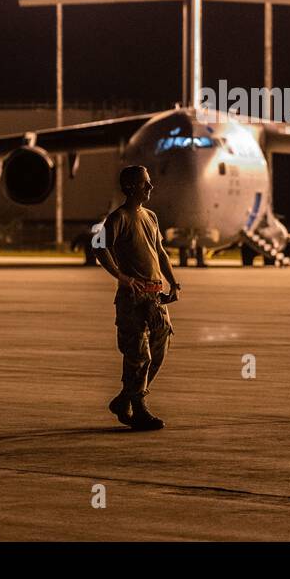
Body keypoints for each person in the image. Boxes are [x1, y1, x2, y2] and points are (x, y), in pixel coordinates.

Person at [94, 165, 179, 431]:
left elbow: (160, 252)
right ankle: (139, 408)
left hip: (155, 296)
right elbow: (100, 249)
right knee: (138, 354)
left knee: (159, 349)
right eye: (145, 184)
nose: (150, 188)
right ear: (131, 187)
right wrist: (123, 277)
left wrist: (172, 281)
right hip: (133, 298)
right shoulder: (118, 218)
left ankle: (124, 399)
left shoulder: (150, 217)